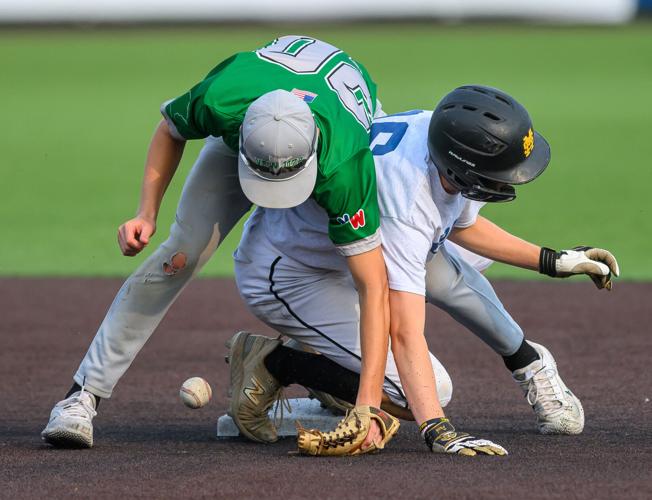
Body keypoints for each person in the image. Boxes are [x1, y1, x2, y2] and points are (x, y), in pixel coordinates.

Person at [226, 85, 619, 455]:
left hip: (351, 249)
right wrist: (437, 429)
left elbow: (460, 225)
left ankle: (528, 362)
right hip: (291, 271)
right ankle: (276, 362)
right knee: (424, 392)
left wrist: (550, 260)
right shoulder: (407, 203)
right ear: (461, 170)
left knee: (453, 273)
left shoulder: (441, 139)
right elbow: (403, 329)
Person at [42, 35, 392, 448]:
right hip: (265, 127)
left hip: (327, 139)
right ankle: (82, 395)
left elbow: (373, 286)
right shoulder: (223, 99)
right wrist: (146, 212)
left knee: (347, 261)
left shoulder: (347, 163)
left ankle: (313, 362)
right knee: (179, 254)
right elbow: (170, 129)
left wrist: (367, 405)